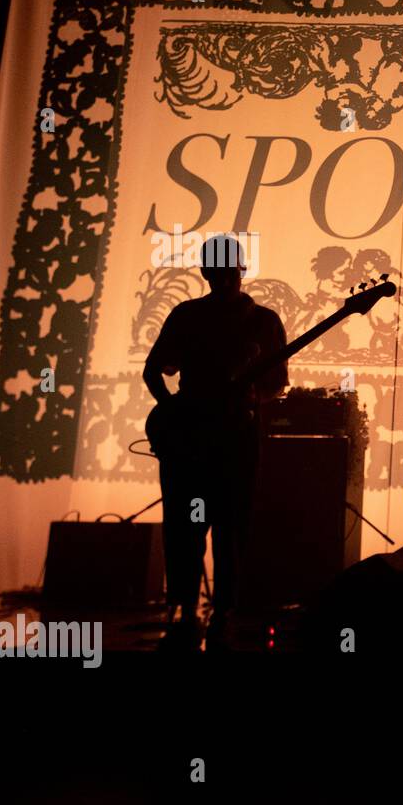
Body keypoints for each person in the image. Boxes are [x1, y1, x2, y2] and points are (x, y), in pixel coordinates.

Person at [143, 234, 287, 649]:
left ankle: (221, 609)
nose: (223, 279)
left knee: (230, 526)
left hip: (234, 437)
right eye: (216, 271)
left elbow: (276, 383)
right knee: (188, 524)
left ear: (240, 271)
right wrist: (172, 408)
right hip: (192, 436)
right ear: (206, 272)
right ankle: (188, 607)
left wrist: (244, 395)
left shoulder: (263, 321)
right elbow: (154, 371)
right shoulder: (187, 316)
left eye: (229, 271)